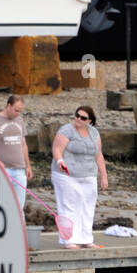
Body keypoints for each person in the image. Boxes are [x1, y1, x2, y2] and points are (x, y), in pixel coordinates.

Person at [52, 105, 108, 248]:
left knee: (87, 206)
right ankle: (68, 240)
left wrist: (104, 176)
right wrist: (60, 162)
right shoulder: (66, 130)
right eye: (77, 115)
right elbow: (57, 149)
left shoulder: (94, 133)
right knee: (68, 206)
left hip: (88, 175)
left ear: (90, 120)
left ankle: (86, 239)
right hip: (66, 175)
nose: (78, 119)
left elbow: (99, 154)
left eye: (83, 117)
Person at [0, 94, 33, 211]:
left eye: (20, 111)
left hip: (20, 170)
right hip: (2, 170)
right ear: (8, 105)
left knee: (18, 208)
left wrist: (28, 166)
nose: (18, 113)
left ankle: (18, 228)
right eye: (16, 110)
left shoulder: (20, 121)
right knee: (0, 207)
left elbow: (23, 144)